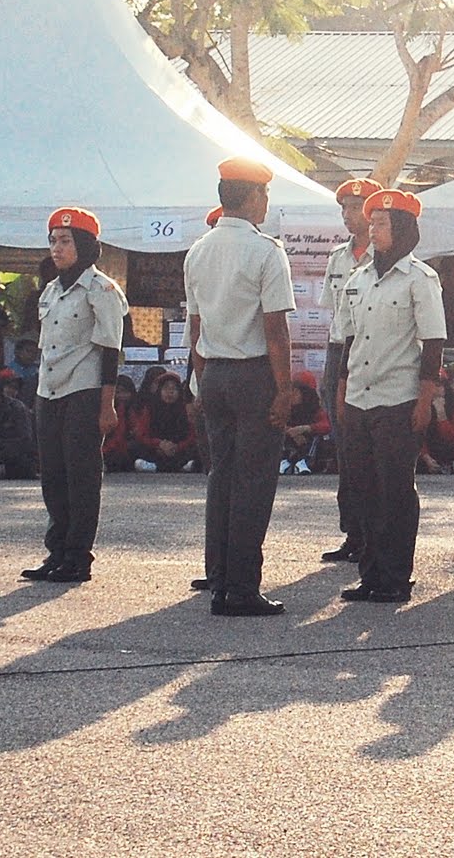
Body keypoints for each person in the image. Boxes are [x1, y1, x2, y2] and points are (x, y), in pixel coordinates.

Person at [183, 157, 296, 617]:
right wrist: (285, 389)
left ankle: (219, 578)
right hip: (252, 374)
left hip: (214, 371)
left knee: (221, 478)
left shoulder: (198, 251)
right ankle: (242, 587)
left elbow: (195, 328)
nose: (266, 203)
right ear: (253, 197)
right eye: (264, 195)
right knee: (252, 483)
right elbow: (276, 331)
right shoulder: (266, 251)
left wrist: (200, 378)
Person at [335, 188, 446, 605]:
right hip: (360, 396)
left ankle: (397, 576)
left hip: (398, 397)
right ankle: (370, 574)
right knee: (363, 488)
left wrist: (424, 399)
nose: (374, 229)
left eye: (382, 223)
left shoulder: (420, 278)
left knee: (395, 490)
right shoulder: (358, 277)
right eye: (373, 222)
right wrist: (343, 385)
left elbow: (433, 342)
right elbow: (350, 337)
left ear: (401, 229)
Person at [19, 208, 128, 583]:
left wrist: (107, 405)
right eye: (52, 241)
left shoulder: (103, 290)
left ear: (84, 245)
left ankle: (78, 556)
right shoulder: (51, 291)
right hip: (47, 391)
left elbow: (111, 352)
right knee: (53, 475)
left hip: (83, 390)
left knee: (81, 477)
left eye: (65, 241)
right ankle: (57, 551)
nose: (57, 248)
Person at [319, 177, 384, 562]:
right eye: (343, 207)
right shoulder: (337, 258)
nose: (348, 214)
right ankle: (353, 532)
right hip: (339, 350)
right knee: (346, 446)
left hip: (375, 353)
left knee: (375, 450)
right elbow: (334, 315)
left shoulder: (387, 252)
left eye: (355, 206)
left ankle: (377, 533)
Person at [130, 370, 199, 473]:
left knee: (197, 448)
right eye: (166, 388)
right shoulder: (150, 408)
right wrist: (159, 444)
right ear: (159, 390)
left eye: (174, 388)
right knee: (134, 446)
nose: (170, 392)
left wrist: (177, 447)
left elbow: (193, 435)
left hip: (179, 450)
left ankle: (154, 467)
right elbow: (142, 434)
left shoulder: (185, 409)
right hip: (156, 449)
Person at [279, 370, 330, 474]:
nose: (292, 394)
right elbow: (272, 423)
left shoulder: (315, 410)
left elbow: (326, 426)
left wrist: (305, 428)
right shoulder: (285, 408)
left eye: (296, 391)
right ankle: (283, 461)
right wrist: (291, 432)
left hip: (306, 447)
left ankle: (304, 462)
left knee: (318, 437)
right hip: (287, 446)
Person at [102, 375, 138, 473]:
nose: (121, 396)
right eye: (117, 392)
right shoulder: (105, 411)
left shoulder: (135, 409)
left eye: (125, 392)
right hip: (109, 449)